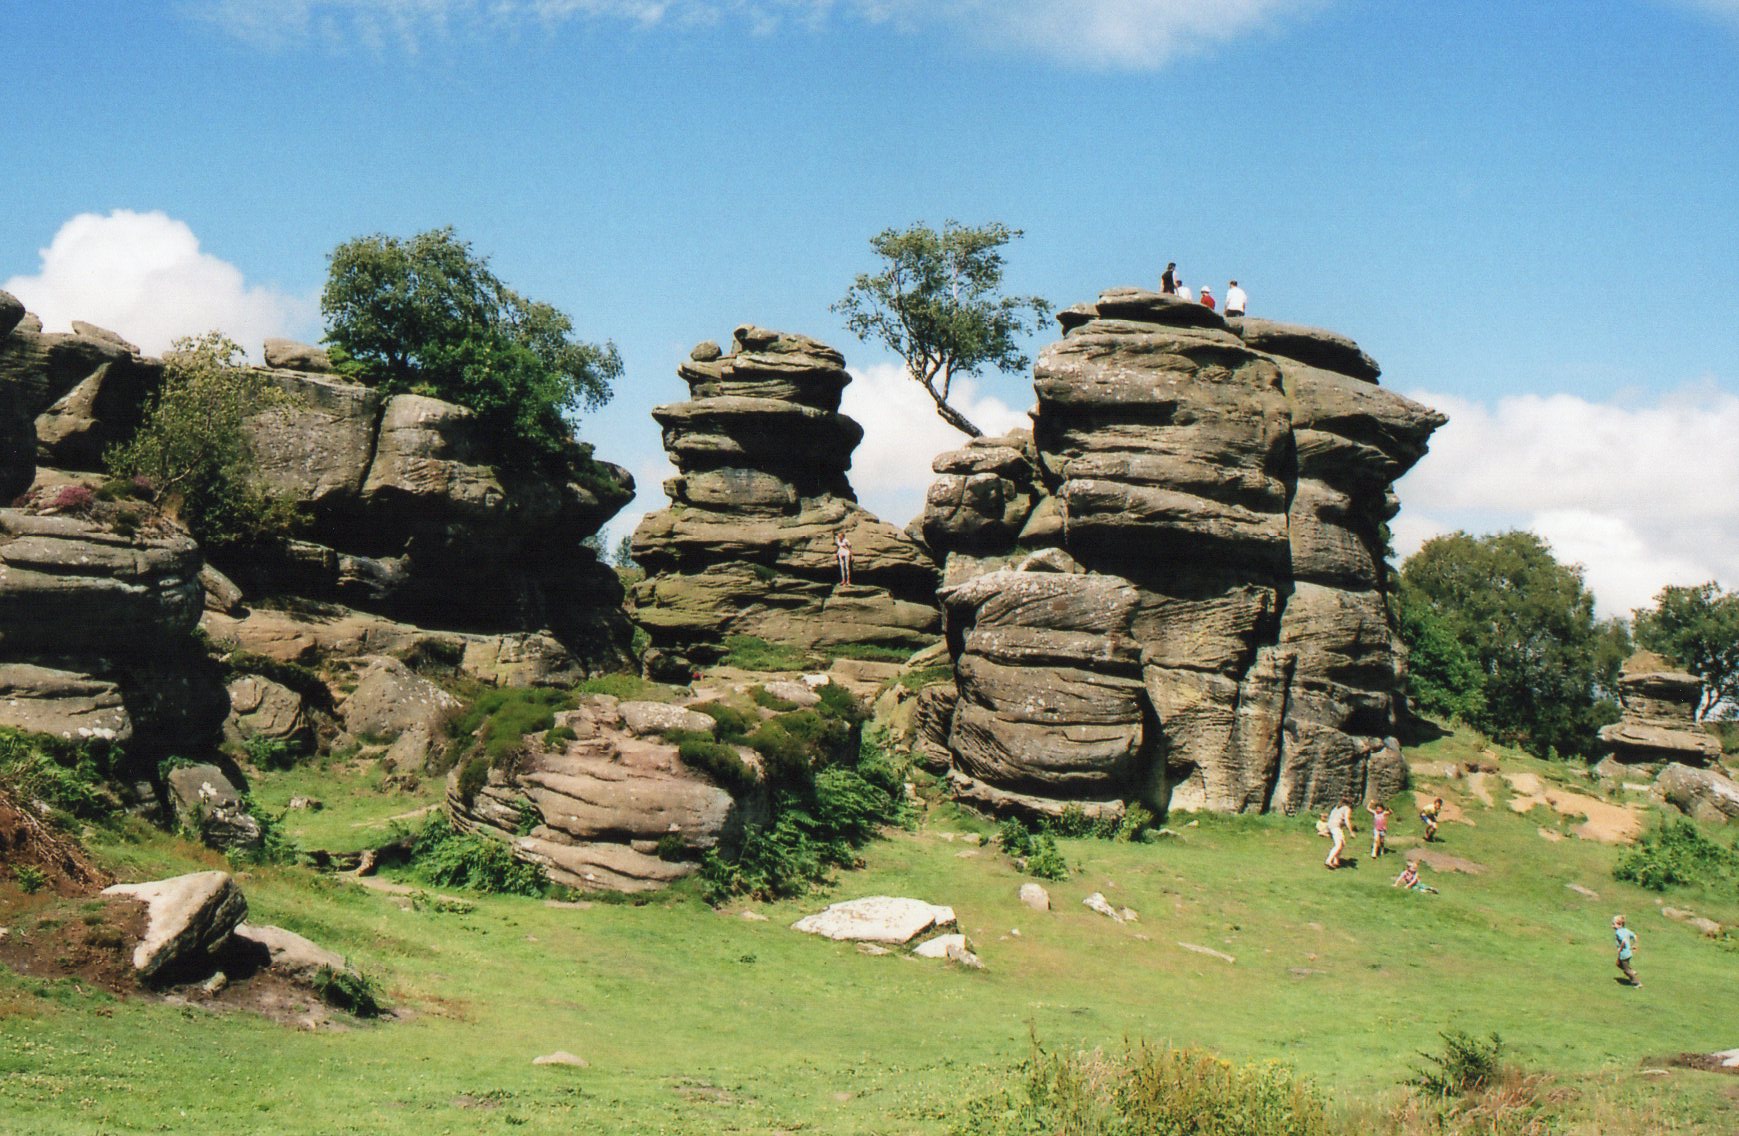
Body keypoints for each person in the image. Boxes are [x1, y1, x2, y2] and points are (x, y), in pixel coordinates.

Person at [1324, 796, 1355, 869]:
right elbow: (1347, 820)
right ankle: (1328, 860)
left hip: (1331, 826)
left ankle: (1336, 861)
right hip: (1336, 827)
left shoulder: (1336, 808)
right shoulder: (1347, 809)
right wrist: (1351, 831)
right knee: (1339, 845)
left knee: (1343, 843)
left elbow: (1331, 818)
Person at [1613, 915, 1640, 987]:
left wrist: (1620, 949)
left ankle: (1636, 982)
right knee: (1618, 964)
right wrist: (1635, 944)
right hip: (1628, 952)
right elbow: (1635, 936)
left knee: (1626, 970)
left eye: (1613, 924)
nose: (1612, 925)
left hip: (1624, 954)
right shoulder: (1626, 930)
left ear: (1619, 924)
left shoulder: (1618, 932)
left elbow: (1624, 941)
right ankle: (1632, 971)